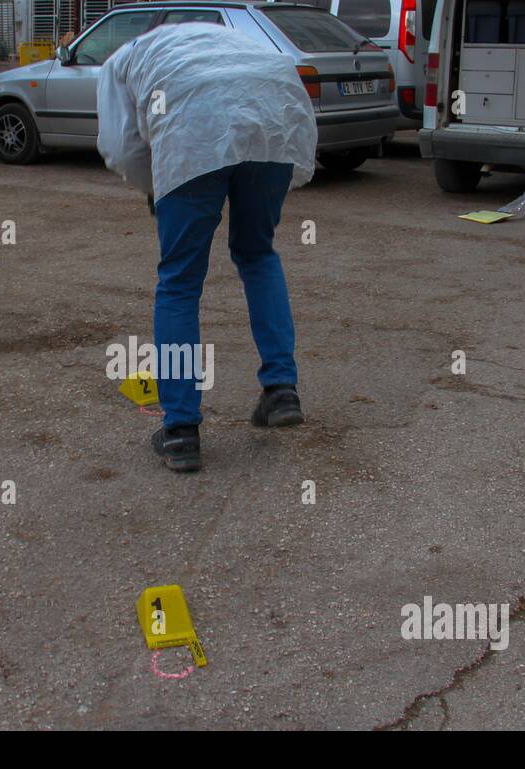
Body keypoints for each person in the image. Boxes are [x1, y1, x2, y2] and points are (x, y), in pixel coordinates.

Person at [97, 22, 318, 473]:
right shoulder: (230, 39)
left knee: (179, 281)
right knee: (258, 254)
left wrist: (156, 189)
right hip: (274, 119)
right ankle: (281, 390)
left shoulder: (123, 59)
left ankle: (180, 430)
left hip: (193, 133)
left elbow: (121, 147)